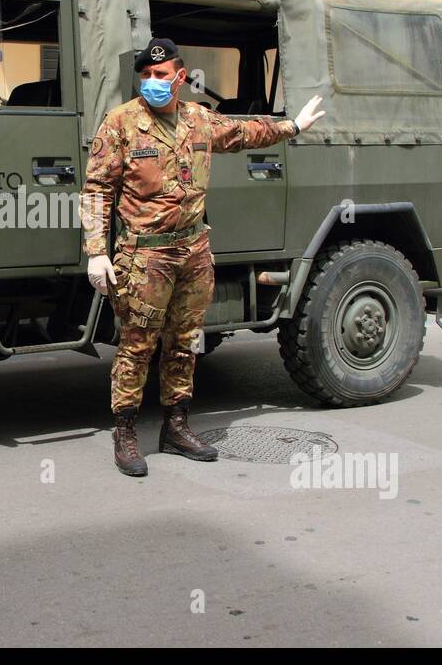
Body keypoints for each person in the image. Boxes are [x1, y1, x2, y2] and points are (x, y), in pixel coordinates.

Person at [81, 38, 325, 476]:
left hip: (193, 251)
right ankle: (126, 432)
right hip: (145, 256)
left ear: (180, 75)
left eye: (162, 75)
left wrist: (293, 127)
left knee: (186, 343)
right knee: (137, 347)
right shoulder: (120, 123)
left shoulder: (198, 119)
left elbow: (246, 132)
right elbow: (97, 189)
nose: (153, 82)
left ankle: (176, 427)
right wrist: (97, 252)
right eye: (147, 75)